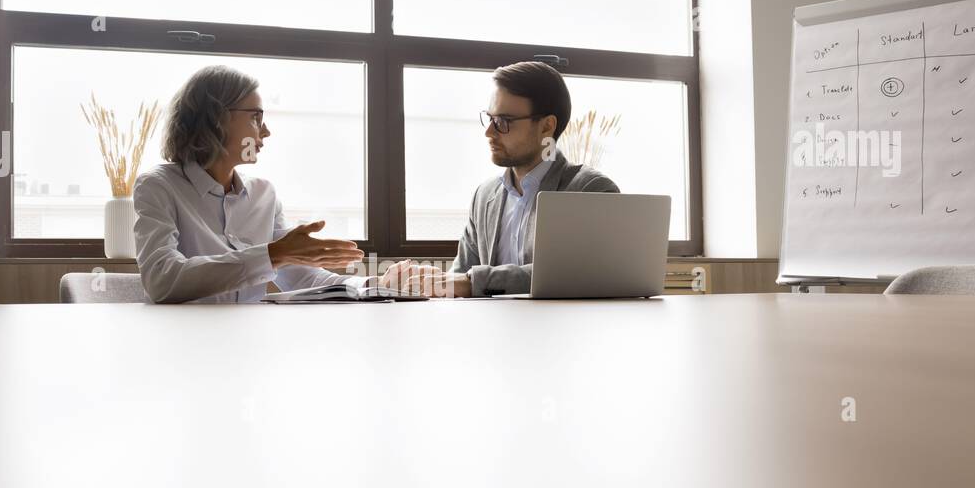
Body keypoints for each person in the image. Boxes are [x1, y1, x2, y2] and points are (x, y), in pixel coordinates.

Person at [382, 61, 619, 297]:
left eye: (503, 121)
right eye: (490, 118)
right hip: (490, 331)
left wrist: (473, 280)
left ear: (547, 126)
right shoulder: (484, 196)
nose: (489, 132)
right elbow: (460, 278)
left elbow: (574, 274)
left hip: (560, 331)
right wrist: (425, 283)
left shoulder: (590, 191)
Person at [133, 65, 368, 303]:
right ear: (217, 119)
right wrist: (273, 255)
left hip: (251, 337)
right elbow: (161, 280)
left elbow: (303, 278)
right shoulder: (158, 186)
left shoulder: (264, 194)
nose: (266, 131)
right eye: (256, 117)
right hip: (182, 337)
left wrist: (371, 285)